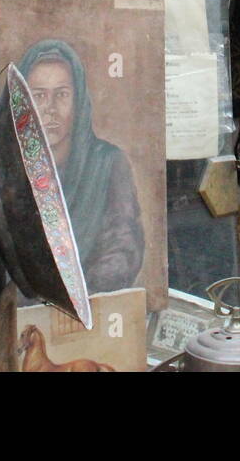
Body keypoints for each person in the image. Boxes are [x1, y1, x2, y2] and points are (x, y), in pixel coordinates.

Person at [19, 39, 144, 293]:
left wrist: (83, 293)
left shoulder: (107, 162)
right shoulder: (11, 165)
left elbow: (123, 244)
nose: (50, 109)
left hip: (91, 303)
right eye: (39, 96)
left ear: (79, 101)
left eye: (62, 95)